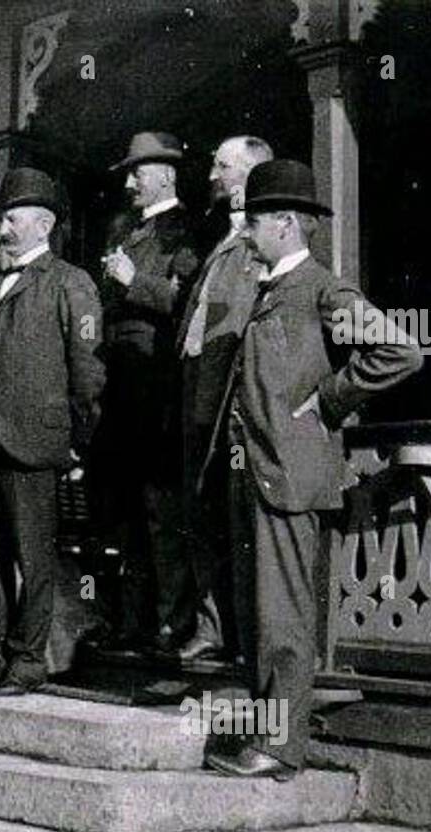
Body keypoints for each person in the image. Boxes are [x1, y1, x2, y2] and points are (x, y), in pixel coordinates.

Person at [206, 160, 423, 780]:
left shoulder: (324, 290)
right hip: (257, 476)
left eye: (253, 220)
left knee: (283, 619)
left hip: (291, 478)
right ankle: (266, 737)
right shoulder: (268, 290)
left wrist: (328, 399)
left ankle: (279, 749)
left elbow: (401, 350)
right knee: (259, 616)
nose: (245, 232)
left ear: (285, 223)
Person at [0, 166, 105, 696]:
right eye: (3, 220)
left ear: (43, 223)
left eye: (12, 219)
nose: (4, 229)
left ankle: (28, 662)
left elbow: (88, 369)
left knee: (33, 557)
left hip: (32, 443)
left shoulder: (70, 283)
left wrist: (76, 439)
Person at [91, 131, 202, 657]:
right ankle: (129, 622)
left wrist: (134, 280)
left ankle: (171, 624)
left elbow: (186, 303)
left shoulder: (186, 230)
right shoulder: (124, 230)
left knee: (162, 514)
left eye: (139, 171)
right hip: (121, 395)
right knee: (125, 513)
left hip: (159, 394)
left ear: (166, 175)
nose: (130, 180)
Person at [174, 135, 274, 664]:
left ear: (251, 174)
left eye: (222, 165)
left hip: (231, 406)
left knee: (238, 519)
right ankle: (213, 625)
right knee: (201, 510)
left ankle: (243, 635)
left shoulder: (260, 245)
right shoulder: (223, 240)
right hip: (199, 399)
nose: (212, 174)